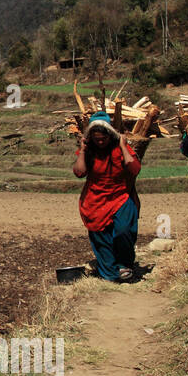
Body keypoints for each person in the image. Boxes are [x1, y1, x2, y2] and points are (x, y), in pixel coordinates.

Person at [73, 111, 141, 283]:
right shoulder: (88, 150)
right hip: (95, 199)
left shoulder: (119, 147)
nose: (101, 142)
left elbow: (134, 169)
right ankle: (109, 272)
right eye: (97, 139)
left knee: (123, 231)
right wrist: (83, 150)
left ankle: (124, 265)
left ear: (110, 135)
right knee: (100, 236)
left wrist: (123, 146)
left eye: (103, 138)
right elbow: (79, 172)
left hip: (120, 196)